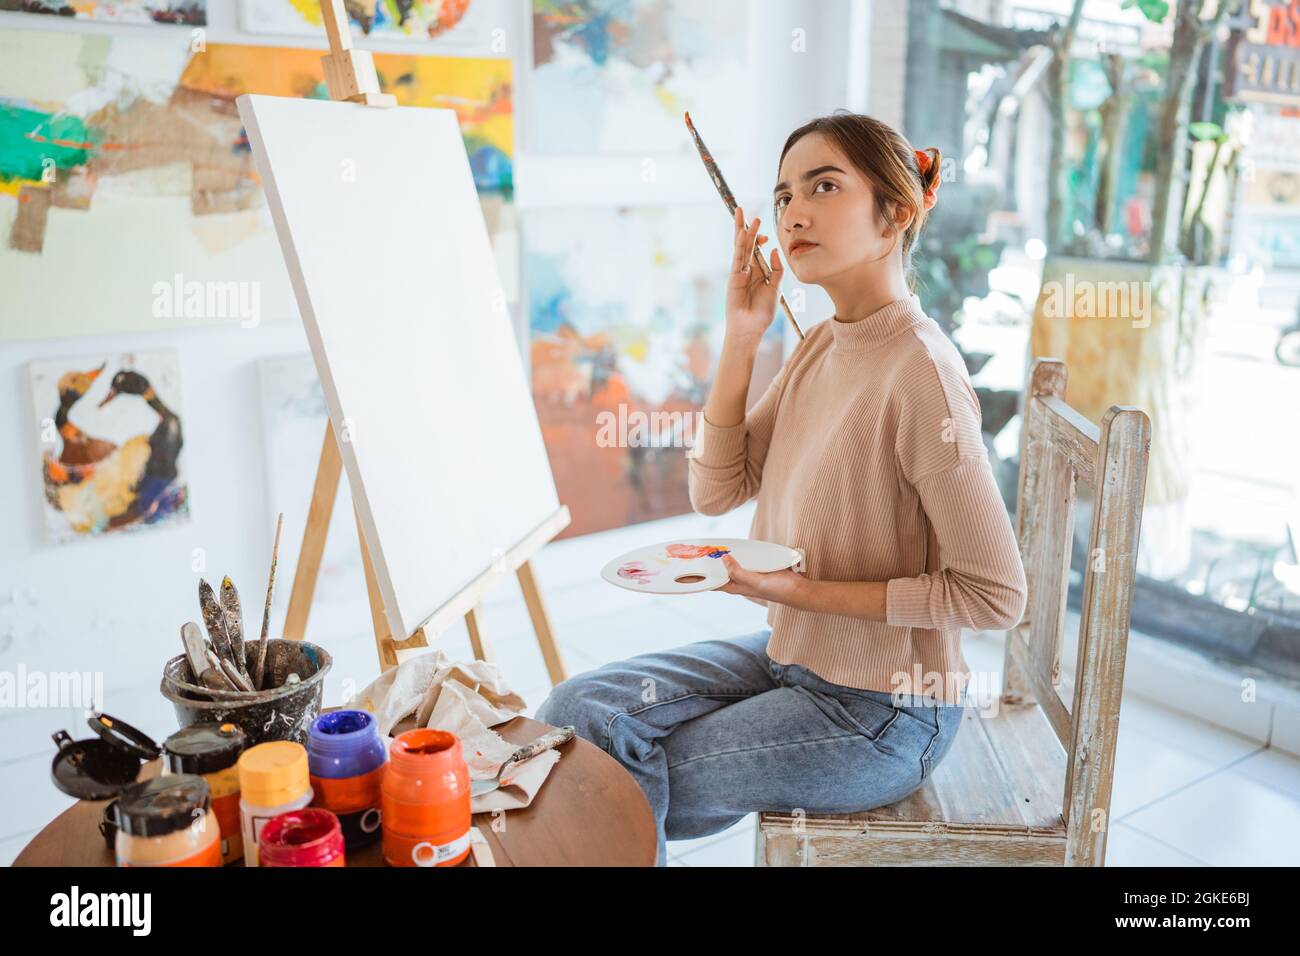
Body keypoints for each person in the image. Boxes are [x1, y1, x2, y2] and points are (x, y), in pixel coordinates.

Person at [534, 111, 1028, 867]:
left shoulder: (922, 374)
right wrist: (742, 335)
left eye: (823, 187)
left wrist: (804, 594)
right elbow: (716, 488)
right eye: (784, 194)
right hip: (794, 657)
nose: (793, 212)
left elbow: (997, 595)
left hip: (888, 712)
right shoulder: (825, 342)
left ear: (895, 213)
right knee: (577, 713)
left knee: (612, 778)